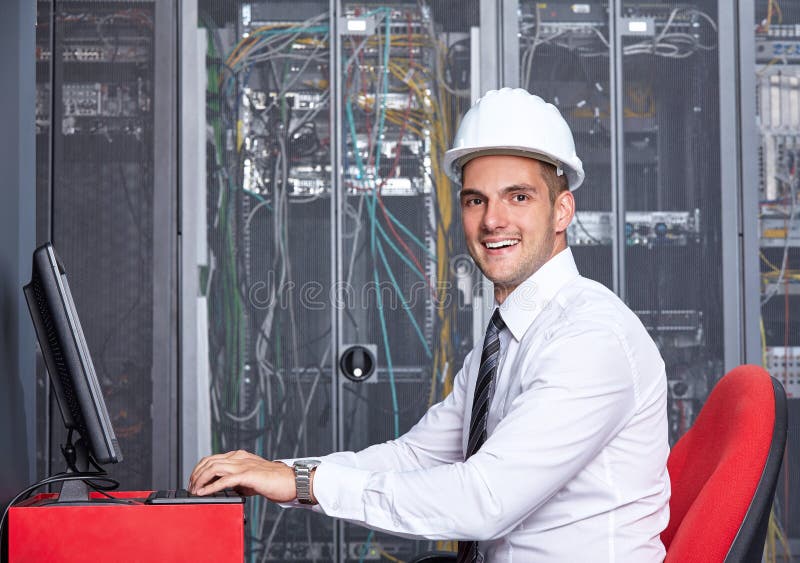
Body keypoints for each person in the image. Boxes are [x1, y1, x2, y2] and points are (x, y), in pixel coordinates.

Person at [189, 88, 670, 562]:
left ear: (562, 210)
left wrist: (305, 484)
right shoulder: (506, 339)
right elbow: (416, 456)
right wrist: (282, 473)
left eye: (518, 197)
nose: (492, 221)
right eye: (475, 201)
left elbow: (484, 501)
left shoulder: (589, 338)